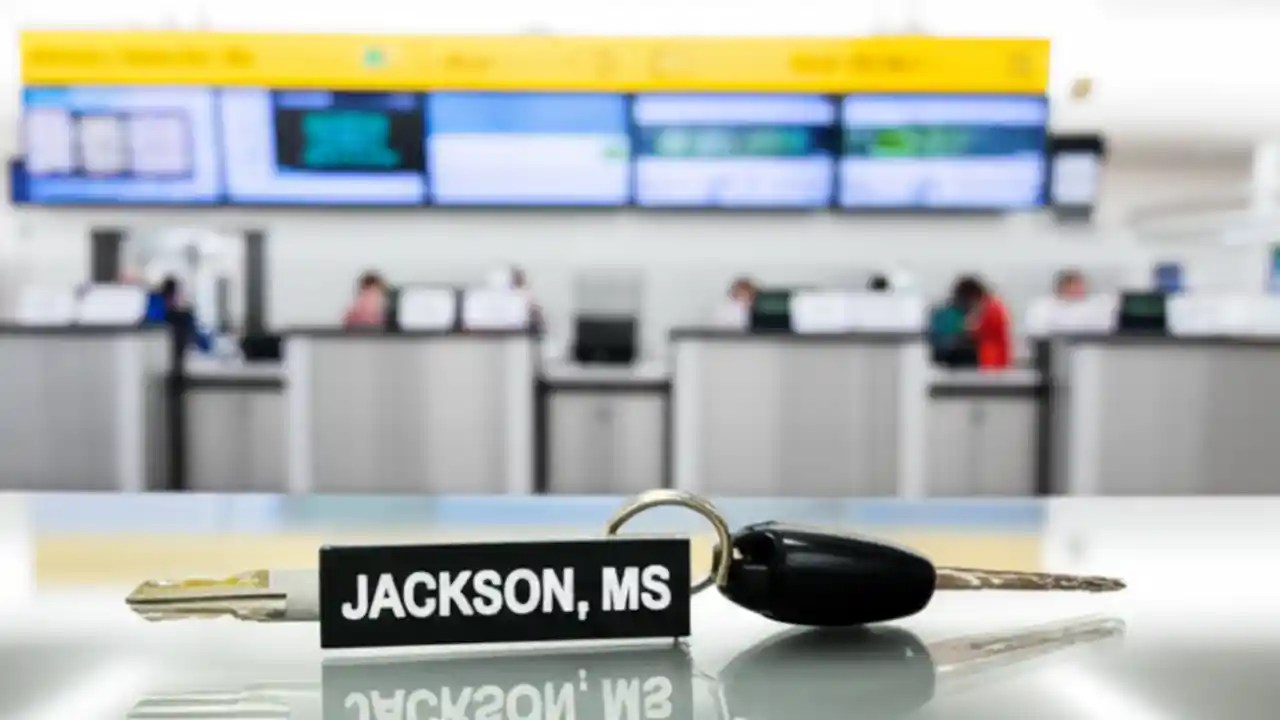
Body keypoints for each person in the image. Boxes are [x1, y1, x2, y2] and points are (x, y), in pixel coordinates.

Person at [953, 275, 1012, 370]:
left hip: (993, 360)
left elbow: (970, 329)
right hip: (992, 358)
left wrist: (970, 317)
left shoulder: (991, 308)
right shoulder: (993, 306)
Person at [144, 276, 213, 353]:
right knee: (186, 318)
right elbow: (158, 314)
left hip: (162, 319)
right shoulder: (158, 298)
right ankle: (198, 343)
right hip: (159, 321)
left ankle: (196, 341)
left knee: (186, 318)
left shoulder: (160, 298)